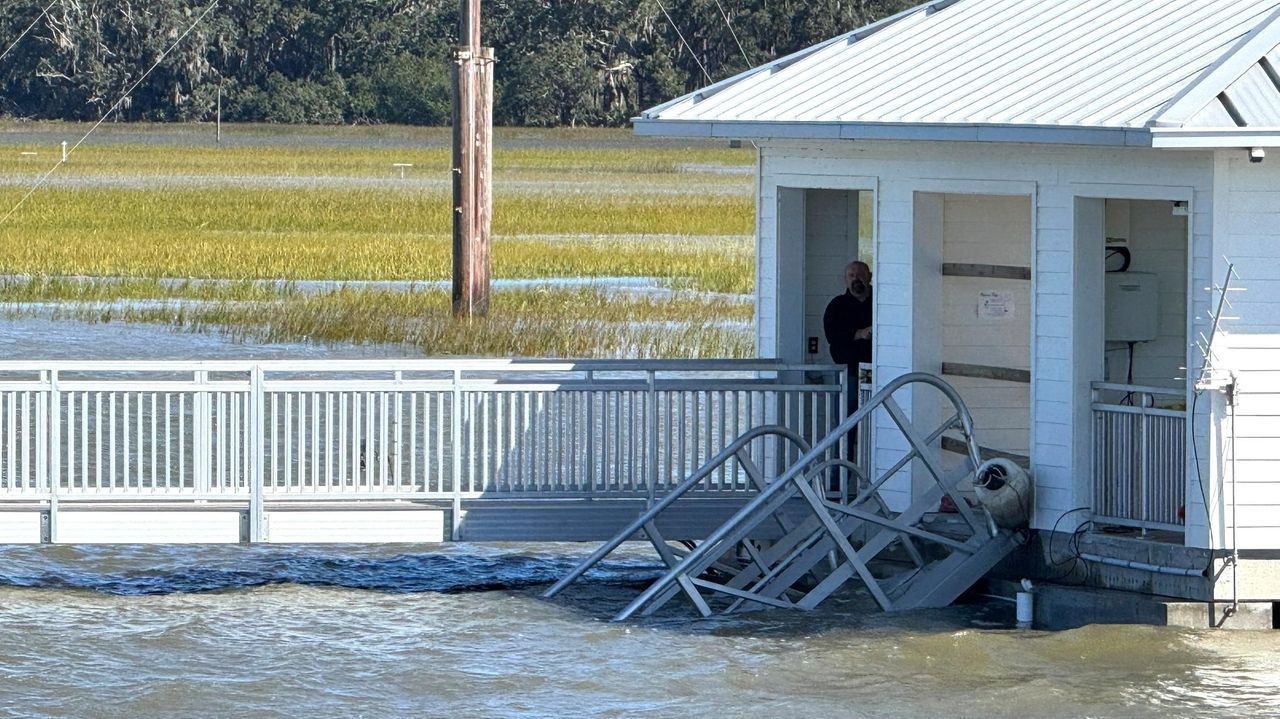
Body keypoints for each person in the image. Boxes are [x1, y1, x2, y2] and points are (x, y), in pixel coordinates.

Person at [824, 260, 873, 417]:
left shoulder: (881, 302)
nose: (856, 278)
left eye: (860, 275)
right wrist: (859, 333)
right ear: (845, 279)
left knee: (873, 413)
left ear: (869, 277)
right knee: (846, 415)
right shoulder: (837, 306)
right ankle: (845, 443)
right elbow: (832, 336)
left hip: (874, 370)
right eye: (851, 275)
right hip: (848, 371)